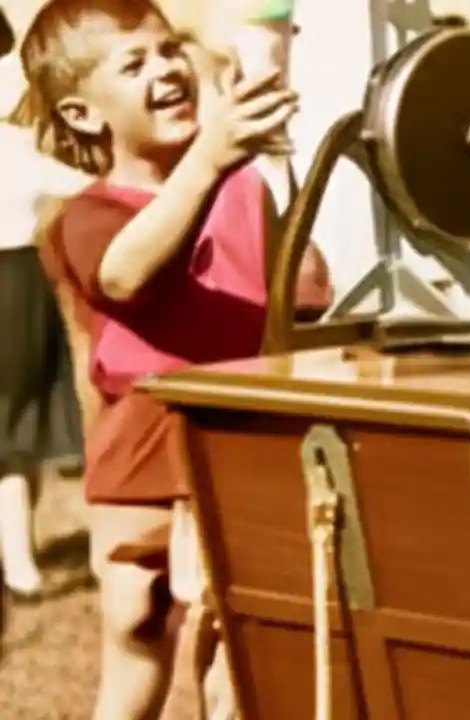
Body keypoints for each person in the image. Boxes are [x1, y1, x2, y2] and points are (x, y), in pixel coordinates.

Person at [17, 0, 316, 716]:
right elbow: (124, 274)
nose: (166, 68)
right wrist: (210, 159)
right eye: (134, 62)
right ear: (85, 115)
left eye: (169, 49)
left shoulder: (242, 188)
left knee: (237, 642)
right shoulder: (87, 213)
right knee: (135, 630)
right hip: (142, 453)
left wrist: (276, 169)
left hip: (242, 438)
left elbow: (307, 290)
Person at [0, 4, 90, 604]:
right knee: (13, 421)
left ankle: (18, 554)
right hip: (10, 270)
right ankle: (17, 559)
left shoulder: (14, 113)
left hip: (15, 269)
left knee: (16, 419)